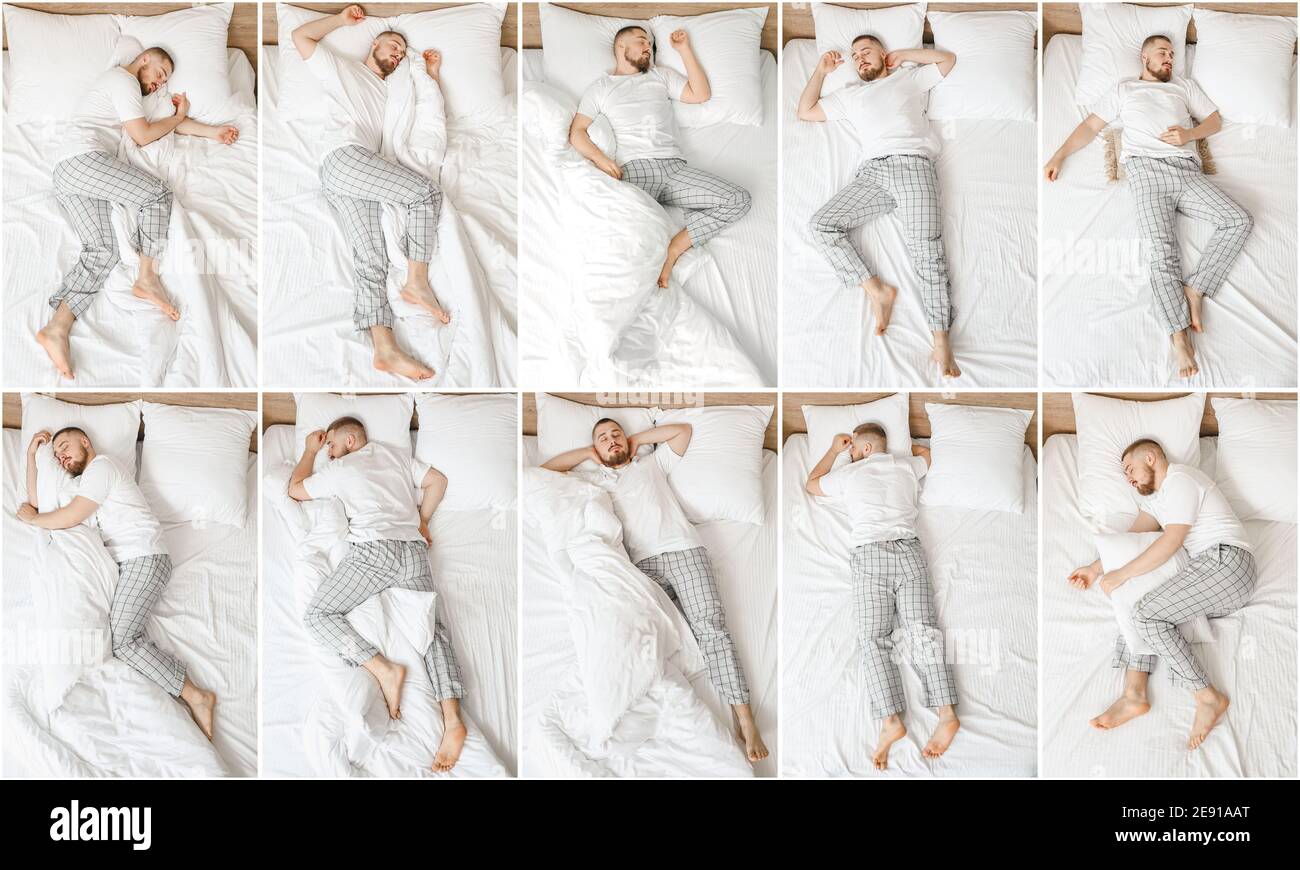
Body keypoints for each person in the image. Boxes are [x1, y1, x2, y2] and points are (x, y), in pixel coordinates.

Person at [542, 417, 770, 763]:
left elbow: (682, 432)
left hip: (683, 550)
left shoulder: (651, 464)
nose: (611, 440)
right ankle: (664, 716)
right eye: (603, 438)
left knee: (712, 629)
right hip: (641, 567)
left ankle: (744, 718)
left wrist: (635, 441)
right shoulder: (593, 481)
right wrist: (588, 453)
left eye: (615, 433)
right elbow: (545, 472)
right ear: (596, 448)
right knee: (647, 640)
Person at [1044, 35, 1251, 379]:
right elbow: (1090, 126)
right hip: (1147, 172)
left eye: (1172, 54)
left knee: (1239, 220)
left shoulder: (1183, 87)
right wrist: (1058, 155)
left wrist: (1189, 134)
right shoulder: (1124, 89)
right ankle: (1179, 337)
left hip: (1186, 171)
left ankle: (1196, 287)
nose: (1169, 58)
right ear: (1144, 57)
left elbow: (1215, 121)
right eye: (1162, 53)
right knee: (1162, 252)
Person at [37, 47, 241, 380]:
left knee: (102, 252)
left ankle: (56, 329)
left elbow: (163, 126)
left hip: (66, 173)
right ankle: (147, 276)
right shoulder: (122, 80)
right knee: (157, 195)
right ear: (144, 58)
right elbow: (144, 135)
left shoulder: (132, 96)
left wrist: (211, 132)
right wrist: (176, 117)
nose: (160, 84)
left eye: (165, 80)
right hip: (81, 159)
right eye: (160, 73)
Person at [288, 415, 467, 772]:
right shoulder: (395, 455)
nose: (331, 455)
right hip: (414, 554)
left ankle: (380, 668)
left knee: (317, 615)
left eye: (333, 447)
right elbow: (437, 482)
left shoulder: (342, 468)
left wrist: (309, 452)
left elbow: (295, 488)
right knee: (432, 633)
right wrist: (423, 519)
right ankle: (452, 720)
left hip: (375, 553)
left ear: (351, 440)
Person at [16, 428, 218, 739]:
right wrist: (31, 456)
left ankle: (196, 695)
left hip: (144, 557)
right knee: (109, 638)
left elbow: (69, 516)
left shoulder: (103, 468)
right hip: (127, 565)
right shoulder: (80, 483)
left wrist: (32, 521)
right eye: (56, 454)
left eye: (65, 446)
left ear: (85, 442)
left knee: (124, 643)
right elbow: (39, 502)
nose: (61, 455)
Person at [293, 4, 452, 381]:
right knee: (424, 195)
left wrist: (428, 74)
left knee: (371, 260)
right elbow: (300, 37)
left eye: (400, 51)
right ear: (373, 44)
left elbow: (427, 114)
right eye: (392, 44)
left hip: (348, 174)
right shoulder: (342, 70)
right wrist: (340, 21)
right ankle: (417, 280)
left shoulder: (390, 92)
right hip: (343, 158)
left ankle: (384, 348)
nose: (397, 53)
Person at [1067, 438, 1255, 749]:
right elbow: (1131, 540)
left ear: (1151, 458)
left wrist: (1121, 574)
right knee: (1132, 602)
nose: (1129, 478)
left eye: (1130, 469)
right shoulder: (1155, 502)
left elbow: (1171, 542)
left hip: (1228, 564)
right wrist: (1094, 568)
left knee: (1145, 613)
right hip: (1209, 573)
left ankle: (1207, 697)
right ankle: (1134, 694)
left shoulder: (1181, 480)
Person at [798, 34, 960, 377]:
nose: (859, 59)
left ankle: (941, 339)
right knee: (821, 225)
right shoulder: (850, 95)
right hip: (873, 174)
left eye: (865, 51)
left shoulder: (908, 77)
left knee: (927, 251)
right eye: (855, 56)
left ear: (883, 54)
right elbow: (805, 110)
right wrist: (821, 71)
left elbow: (947, 61)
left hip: (913, 164)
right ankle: (877, 290)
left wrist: (905, 55)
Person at [805, 422, 959, 769]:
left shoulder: (851, 473)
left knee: (874, 639)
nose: (853, 454)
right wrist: (902, 450)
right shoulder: (905, 466)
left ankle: (891, 719)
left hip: (871, 555)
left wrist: (835, 451)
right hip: (909, 553)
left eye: (856, 449)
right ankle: (946, 713)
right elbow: (929, 456)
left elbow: (812, 484)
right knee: (923, 631)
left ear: (864, 450)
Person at [569, 25, 752, 288]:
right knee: (625, 239)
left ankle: (675, 248)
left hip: (675, 168)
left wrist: (684, 50)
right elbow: (577, 132)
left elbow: (700, 94)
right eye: (642, 41)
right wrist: (601, 160)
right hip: (635, 170)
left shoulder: (659, 76)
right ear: (621, 47)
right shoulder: (601, 88)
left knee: (738, 199)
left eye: (651, 44)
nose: (648, 47)